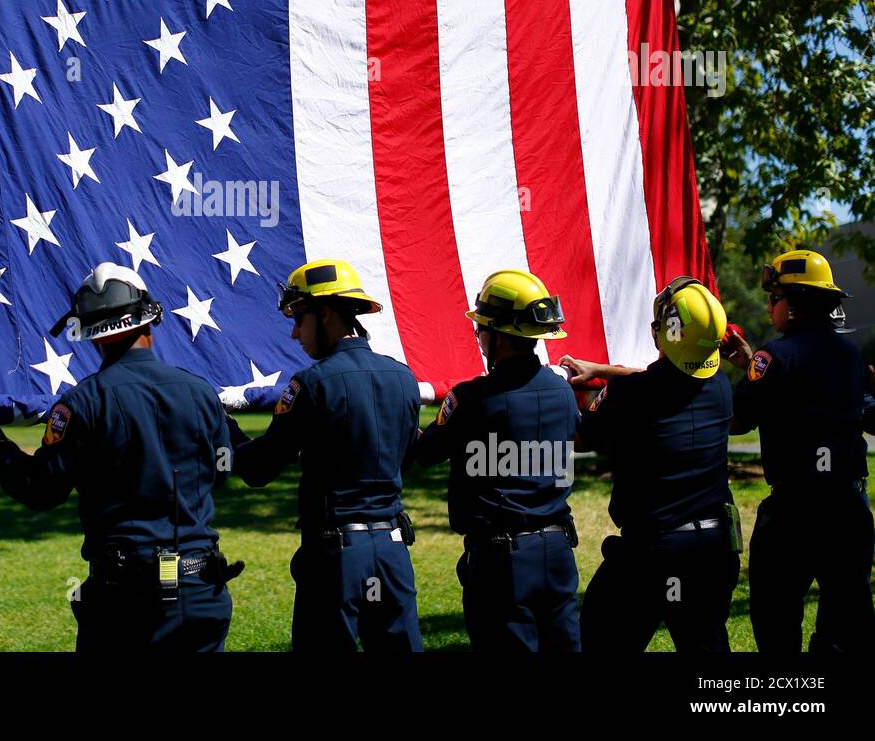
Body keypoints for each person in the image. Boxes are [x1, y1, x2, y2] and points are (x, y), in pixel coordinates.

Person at [0, 262, 239, 652]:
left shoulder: (82, 404)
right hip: (200, 588)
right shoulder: (200, 393)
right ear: (150, 319)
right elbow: (222, 472)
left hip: (125, 597)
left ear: (93, 335)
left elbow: (38, 490)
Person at [228, 259, 423, 652]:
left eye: (299, 317)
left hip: (336, 559)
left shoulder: (311, 385)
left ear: (326, 313)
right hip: (393, 551)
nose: (295, 332)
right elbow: (405, 459)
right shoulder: (404, 378)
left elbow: (259, 469)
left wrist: (224, 428)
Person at [563, 276, 740, 652]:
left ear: (667, 334)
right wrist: (604, 370)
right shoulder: (720, 386)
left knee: (599, 642)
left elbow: (579, 438)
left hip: (652, 554)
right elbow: (662, 381)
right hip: (713, 549)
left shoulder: (630, 395)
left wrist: (553, 393)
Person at [414, 269, 580, 652]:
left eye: (481, 330)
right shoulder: (561, 391)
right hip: (557, 553)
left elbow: (426, 453)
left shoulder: (473, 398)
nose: (480, 339)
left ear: (500, 337)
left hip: (502, 562)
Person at [724, 249, 874, 652]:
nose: (770, 305)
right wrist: (752, 366)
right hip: (849, 509)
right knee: (847, 623)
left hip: (794, 516)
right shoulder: (852, 356)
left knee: (776, 623)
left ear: (796, 304)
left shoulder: (774, 357)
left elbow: (738, 420)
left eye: (775, 297)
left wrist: (746, 367)